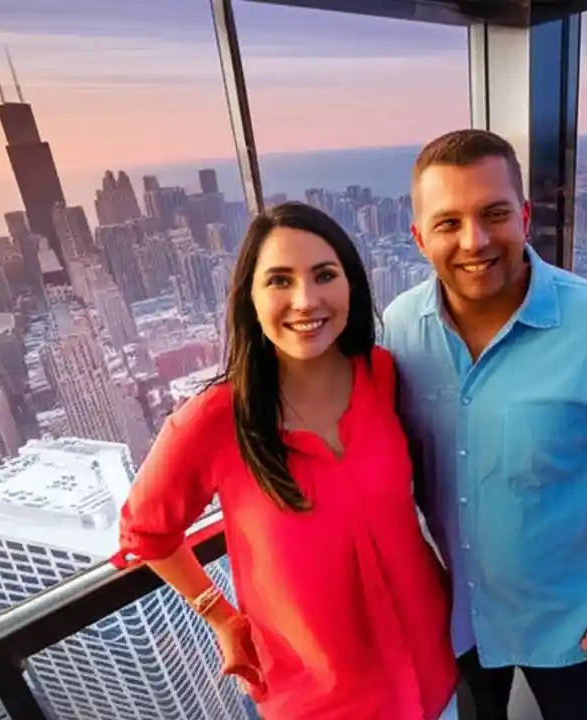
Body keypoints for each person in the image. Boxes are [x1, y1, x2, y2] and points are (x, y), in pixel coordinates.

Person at [381, 129, 587, 720]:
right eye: (447, 223)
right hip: (456, 610)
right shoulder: (398, 328)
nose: (475, 240)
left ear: (524, 216)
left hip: (571, 621)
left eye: (494, 213)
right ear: (419, 238)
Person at [115, 202, 458, 719]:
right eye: (279, 281)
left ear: (351, 286)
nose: (306, 300)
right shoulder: (211, 421)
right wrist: (220, 615)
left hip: (432, 658)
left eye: (325, 275)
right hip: (319, 699)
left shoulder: (382, 375)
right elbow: (145, 532)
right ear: (250, 299)